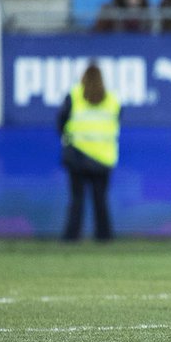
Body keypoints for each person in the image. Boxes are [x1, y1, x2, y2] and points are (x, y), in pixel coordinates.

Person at [57, 63, 120, 241]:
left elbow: (61, 121)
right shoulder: (112, 99)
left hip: (77, 156)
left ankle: (71, 237)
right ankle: (104, 237)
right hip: (103, 157)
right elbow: (117, 121)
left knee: (77, 200)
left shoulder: (74, 96)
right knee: (100, 201)